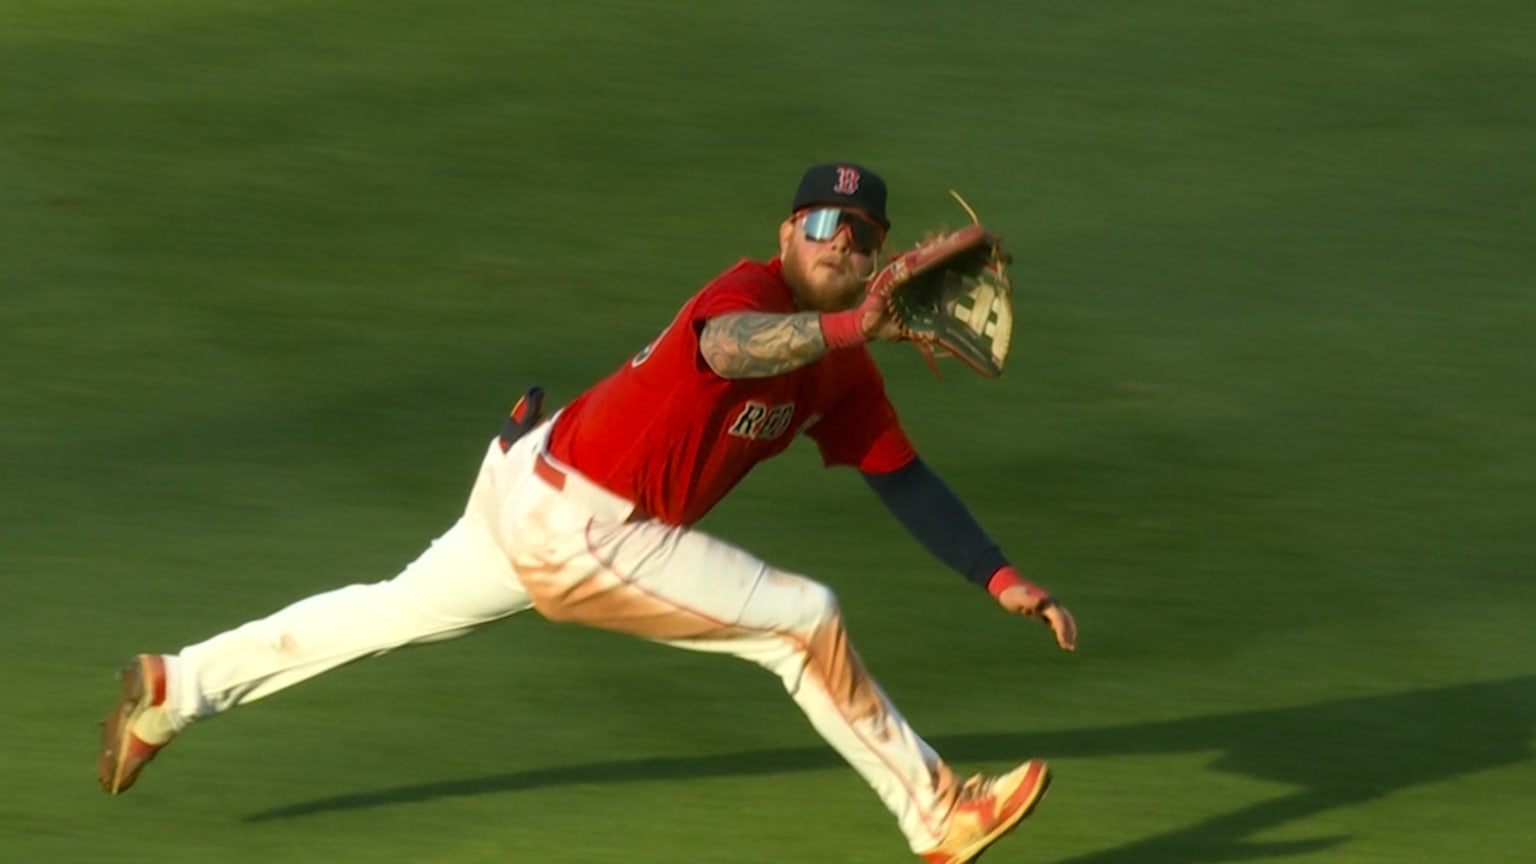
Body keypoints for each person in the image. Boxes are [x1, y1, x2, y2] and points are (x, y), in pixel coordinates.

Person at [96, 162, 1078, 864]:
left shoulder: (846, 372)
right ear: (787, 234)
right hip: (579, 524)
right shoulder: (746, 292)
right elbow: (737, 347)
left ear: (878, 261)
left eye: (860, 239)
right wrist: (838, 324)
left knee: (386, 609)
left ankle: (176, 687)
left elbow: (901, 474)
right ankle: (935, 813)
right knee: (802, 622)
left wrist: (997, 573)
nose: (840, 246)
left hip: (538, 474)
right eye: (822, 226)